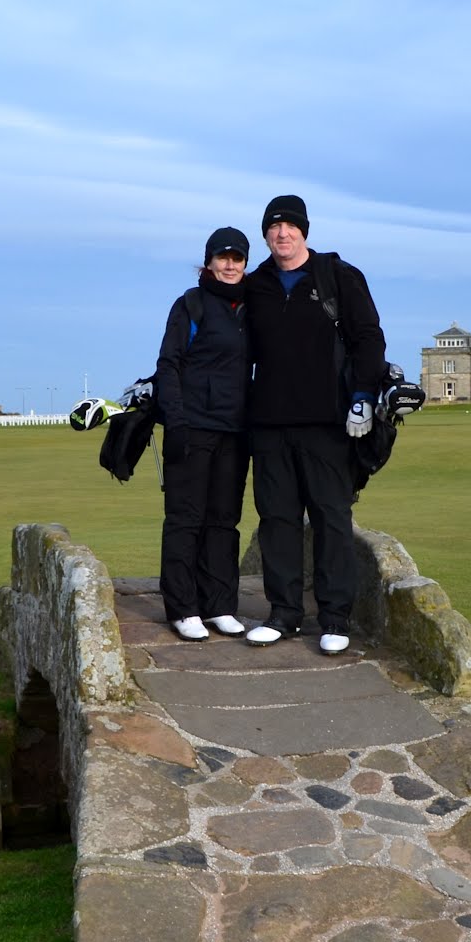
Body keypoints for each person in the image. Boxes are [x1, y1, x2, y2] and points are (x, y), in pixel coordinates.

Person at [242, 194, 387, 654]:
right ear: (265, 233)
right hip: (268, 424)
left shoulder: (338, 276)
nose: (281, 234)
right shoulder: (256, 284)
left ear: (305, 230)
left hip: (327, 422)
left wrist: (363, 397)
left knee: (331, 519)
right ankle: (284, 614)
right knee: (277, 521)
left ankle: (334, 619)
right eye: (273, 227)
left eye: (289, 226)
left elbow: (368, 338)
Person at [153, 227, 253, 642]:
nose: (230, 265)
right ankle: (183, 607)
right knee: (185, 519)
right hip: (192, 426)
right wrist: (175, 422)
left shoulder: (252, 306)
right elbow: (168, 365)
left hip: (235, 430)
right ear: (209, 260)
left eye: (237, 258)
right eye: (223, 257)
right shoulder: (190, 305)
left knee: (224, 521)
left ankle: (220, 605)